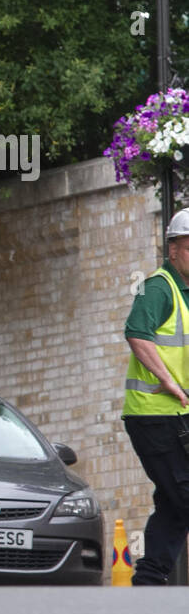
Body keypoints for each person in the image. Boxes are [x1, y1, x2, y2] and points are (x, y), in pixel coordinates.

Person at [123, 208, 189, 584]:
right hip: (152, 416)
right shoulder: (158, 287)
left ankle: (149, 580)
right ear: (173, 249)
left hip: (179, 416)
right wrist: (166, 380)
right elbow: (136, 333)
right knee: (183, 495)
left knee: (174, 501)